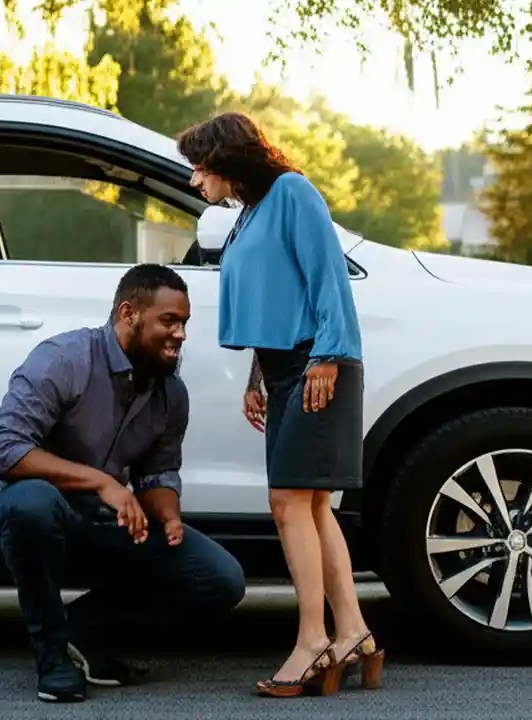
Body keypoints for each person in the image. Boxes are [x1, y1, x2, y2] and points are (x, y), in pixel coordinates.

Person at [177, 112, 383, 698]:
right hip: (284, 367)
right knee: (313, 504)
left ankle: (312, 641)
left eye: (199, 166)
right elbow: (276, 296)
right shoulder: (249, 213)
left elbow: (328, 281)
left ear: (227, 159)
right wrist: (256, 375)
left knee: (289, 501)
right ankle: (354, 633)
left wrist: (328, 358)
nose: (195, 180)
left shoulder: (292, 192)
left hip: (316, 364)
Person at [0, 263, 247, 704]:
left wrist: (168, 513)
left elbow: (158, 474)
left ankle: (80, 631)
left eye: (184, 323)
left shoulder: (170, 393)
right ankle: (52, 659)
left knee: (220, 578)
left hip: (98, 525)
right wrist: (101, 482)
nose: (180, 334)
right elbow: (1, 449)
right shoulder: (64, 359)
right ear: (128, 313)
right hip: (17, 522)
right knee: (33, 504)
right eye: (169, 321)